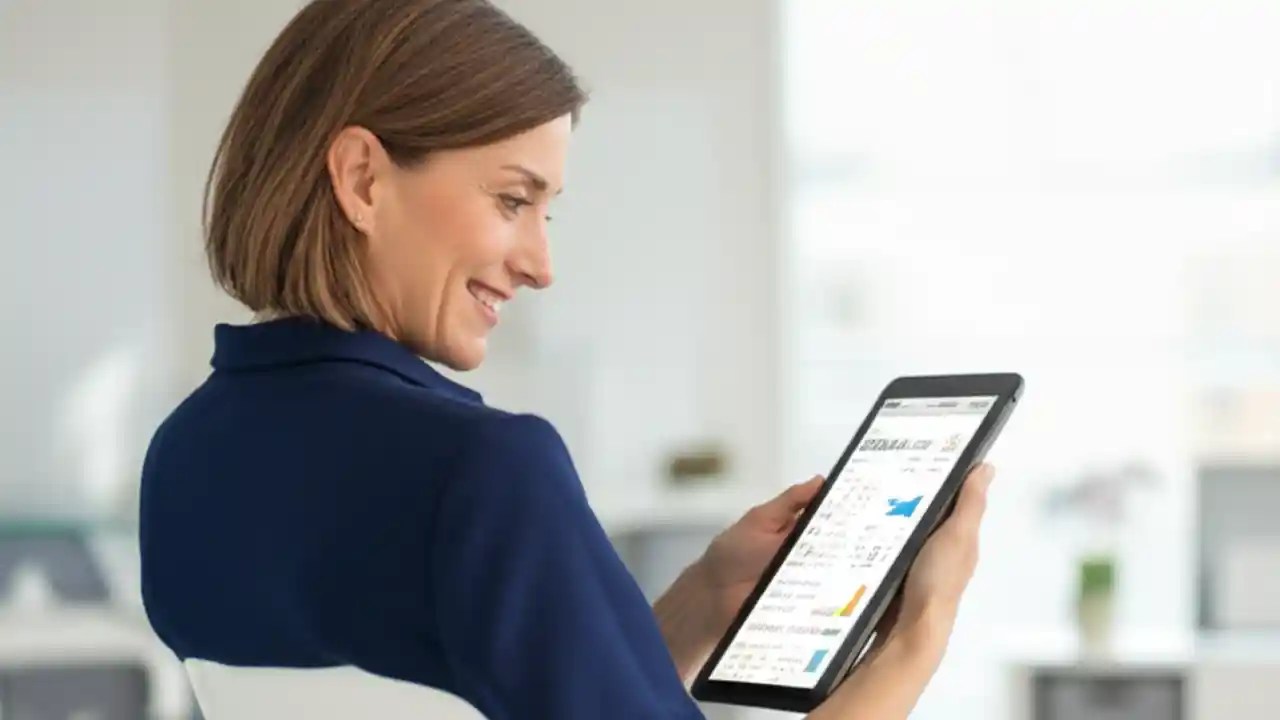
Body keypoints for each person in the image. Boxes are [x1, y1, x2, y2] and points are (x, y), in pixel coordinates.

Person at [139, 1, 996, 718]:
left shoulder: (183, 458)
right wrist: (922, 630)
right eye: (513, 199)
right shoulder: (483, 471)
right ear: (364, 178)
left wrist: (703, 597)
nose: (540, 265)